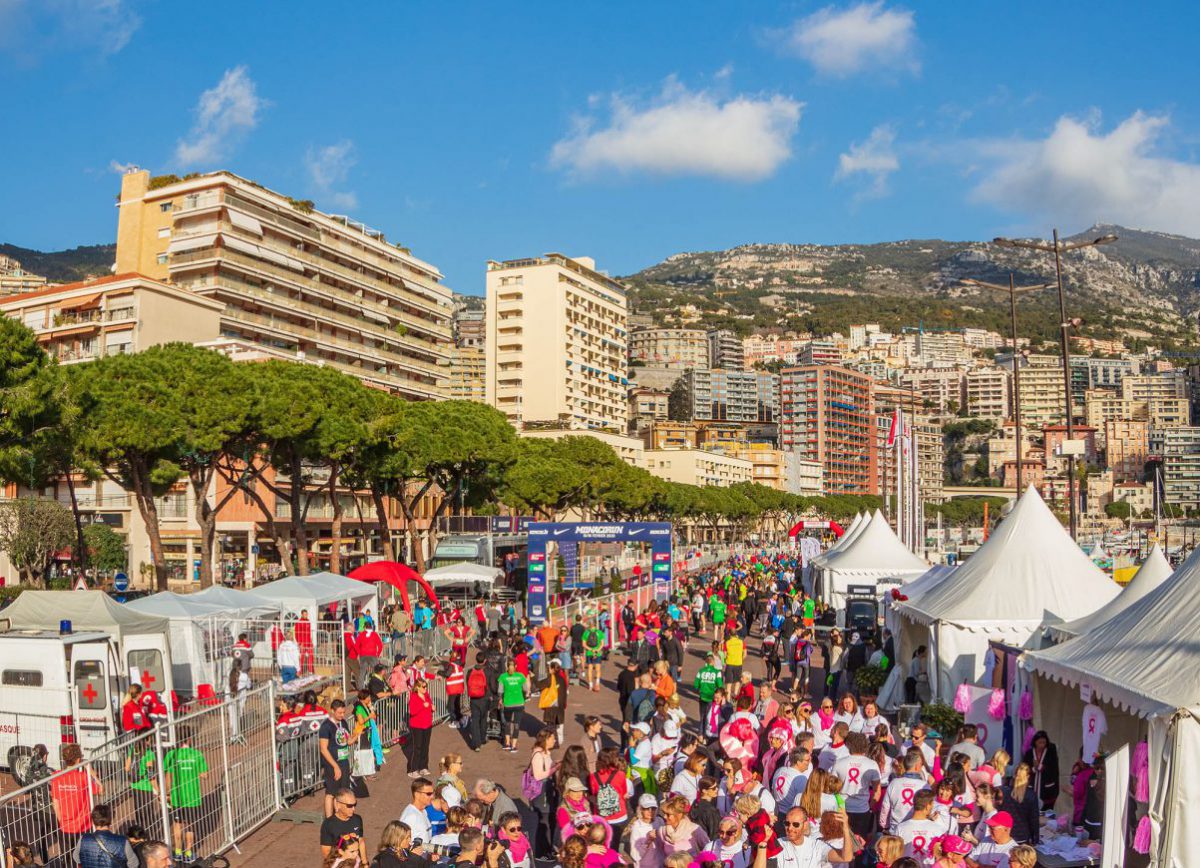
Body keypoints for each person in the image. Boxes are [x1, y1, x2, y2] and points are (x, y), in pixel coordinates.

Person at [163, 727, 209, 863]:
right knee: (190, 825)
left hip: (177, 797)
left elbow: (168, 775)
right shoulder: (196, 754)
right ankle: (188, 853)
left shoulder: (172, 755)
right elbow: (205, 775)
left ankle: (177, 852)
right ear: (189, 739)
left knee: (177, 824)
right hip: (193, 797)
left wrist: (167, 793)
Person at [776, 806, 855, 866]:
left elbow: (846, 858)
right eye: (787, 823)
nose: (790, 828)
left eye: (795, 824)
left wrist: (845, 829)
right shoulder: (777, 844)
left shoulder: (817, 846)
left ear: (806, 824)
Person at [73, 803, 137, 868]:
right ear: (110, 820)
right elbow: (134, 864)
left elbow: (76, 858)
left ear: (93, 820)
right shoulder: (123, 842)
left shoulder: (83, 839)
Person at [529, 727, 558, 857]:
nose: (554, 740)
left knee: (551, 821)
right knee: (544, 823)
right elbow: (538, 775)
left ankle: (549, 848)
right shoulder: (538, 754)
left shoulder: (546, 752)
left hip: (548, 792)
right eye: (552, 738)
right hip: (542, 795)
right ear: (546, 739)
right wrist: (555, 768)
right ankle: (541, 852)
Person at [896, 791, 946, 864]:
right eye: (932, 804)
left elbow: (896, 854)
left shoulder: (900, 827)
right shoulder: (938, 828)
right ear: (928, 806)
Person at [322, 788, 368, 866]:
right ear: (338, 804)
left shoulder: (357, 819)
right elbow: (326, 852)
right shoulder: (328, 824)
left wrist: (365, 863)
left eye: (355, 804)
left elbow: (361, 842)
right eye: (349, 806)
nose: (353, 809)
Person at [590, 747, 630, 831]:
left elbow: (593, 794)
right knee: (615, 842)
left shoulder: (593, 777)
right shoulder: (621, 774)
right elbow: (623, 793)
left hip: (601, 816)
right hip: (619, 815)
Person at [999, 764, 1040, 845]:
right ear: (1027, 776)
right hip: (1022, 836)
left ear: (1014, 775)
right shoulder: (1031, 795)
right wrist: (1035, 838)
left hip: (1006, 834)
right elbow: (1034, 819)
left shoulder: (1005, 792)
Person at [1020, 730, 1060, 811]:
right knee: (1032, 811)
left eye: (1044, 742)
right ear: (1035, 742)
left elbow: (1054, 770)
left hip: (1047, 790)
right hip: (1032, 787)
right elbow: (1024, 769)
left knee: (1046, 812)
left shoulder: (1051, 752)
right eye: (1039, 742)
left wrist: (1041, 767)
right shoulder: (1029, 754)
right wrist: (1034, 768)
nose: (1042, 745)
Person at [371, 820, 435, 868]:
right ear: (396, 839)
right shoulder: (385, 858)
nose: (410, 840)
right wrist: (414, 858)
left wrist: (431, 860)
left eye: (410, 836)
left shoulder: (406, 852)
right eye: (407, 838)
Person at [498, 658, 529, 753]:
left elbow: (500, 691)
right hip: (519, 702)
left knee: (507, 723)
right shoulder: (521, 676)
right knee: (516, 724)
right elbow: (525, 689)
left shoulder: (503, 677)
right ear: (516, 666)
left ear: (507, 666)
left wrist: (500, 699)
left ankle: (507, 743)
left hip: (508, 703)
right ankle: (514, 745)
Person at [537, 658, 569, 745]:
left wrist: (533, 677)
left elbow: (539, 685)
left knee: (551, 726)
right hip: (560, 705)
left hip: (552, 705)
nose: (548, 669)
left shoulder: (551, 678)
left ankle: (554, 742)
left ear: (552, 669)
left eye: (549, 668)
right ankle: (558, 740)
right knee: (557, 724)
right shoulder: (562, 678)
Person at [407, 678, 435, 777]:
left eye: (426, 686)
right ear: (417, 687)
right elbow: (412, 712)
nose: (425, 688)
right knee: (418, 747)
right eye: (423, 687)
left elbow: (430, 704)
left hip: (427, 724)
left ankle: (423, 767)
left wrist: (432, 707)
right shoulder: (413, 697)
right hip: (417, 726)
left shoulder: (426, 695)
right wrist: (423, 705)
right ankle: (413, 769)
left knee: (425, 747)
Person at [629, 794, 663, 868]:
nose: (650, 811)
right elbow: (635, 856)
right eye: (647, 808)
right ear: (640, 809)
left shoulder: (660, 821)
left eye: (653, 808)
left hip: (660, 864)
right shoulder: (636, 826)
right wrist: (648, 841)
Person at [401, 777, 436, 844]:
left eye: (432, 793)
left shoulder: (423, 811)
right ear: (417, 794)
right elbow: (402, 844)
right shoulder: (410, 817)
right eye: (428, 794)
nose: (432, 796)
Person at [693, 654, 724, 725]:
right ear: (713, 662)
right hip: (712, 697)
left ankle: (700, 734)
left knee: (702, 716)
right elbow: (720, 685)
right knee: (710, 715)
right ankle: (709, 732)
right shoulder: (717, 672)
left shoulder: (701, 671)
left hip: (702, 696)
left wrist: (699, 690)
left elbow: (695, 685)